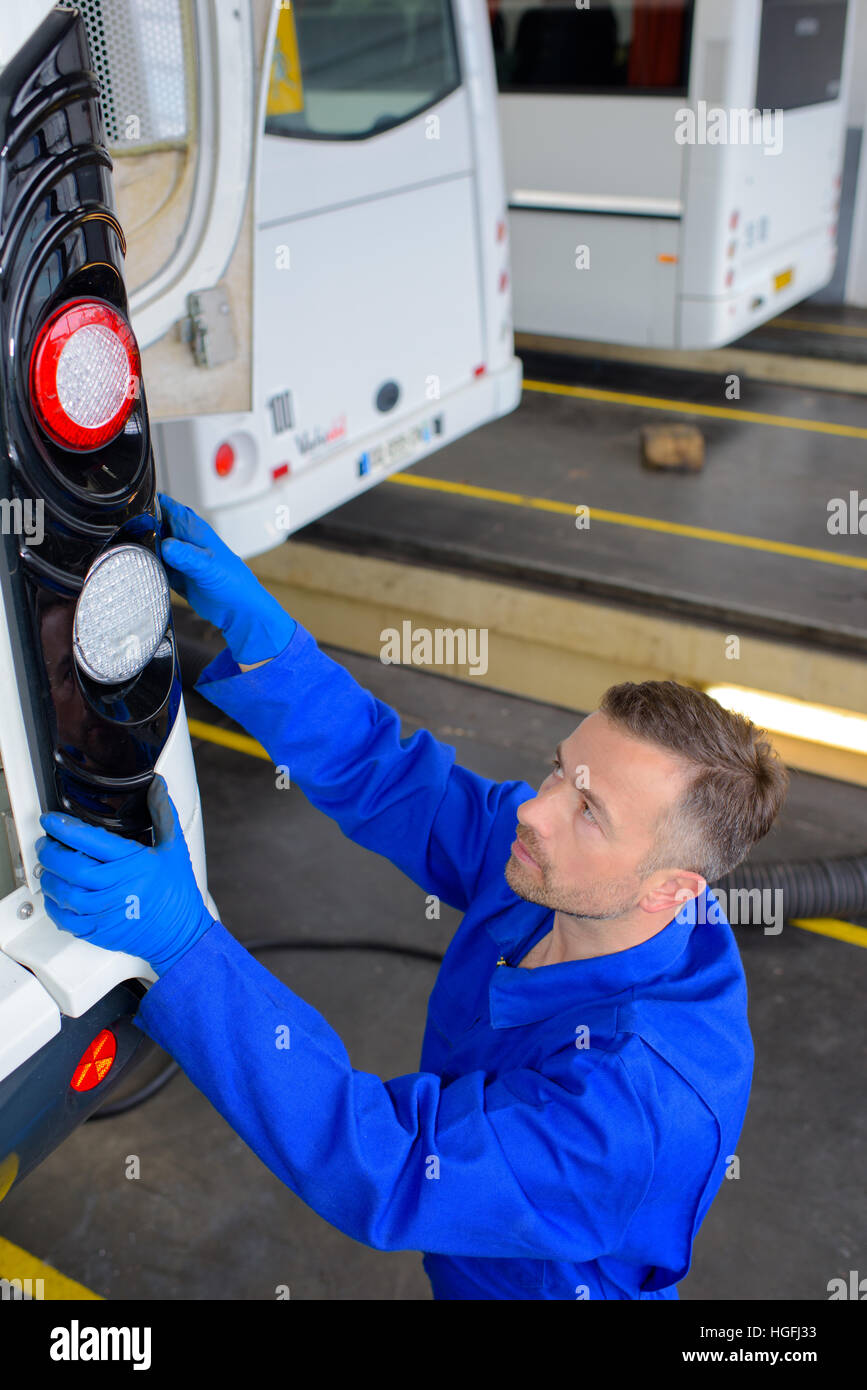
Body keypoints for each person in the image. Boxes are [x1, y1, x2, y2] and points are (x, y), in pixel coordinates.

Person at [35, 492, 789, 1301]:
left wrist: (189, 949)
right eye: (559, 771)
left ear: (671, 890)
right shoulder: (578, 875)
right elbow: (403, 787)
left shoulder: (633, 1110)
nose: (532, 811)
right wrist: (271, 648)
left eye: (588, 812)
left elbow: (386, 1165)